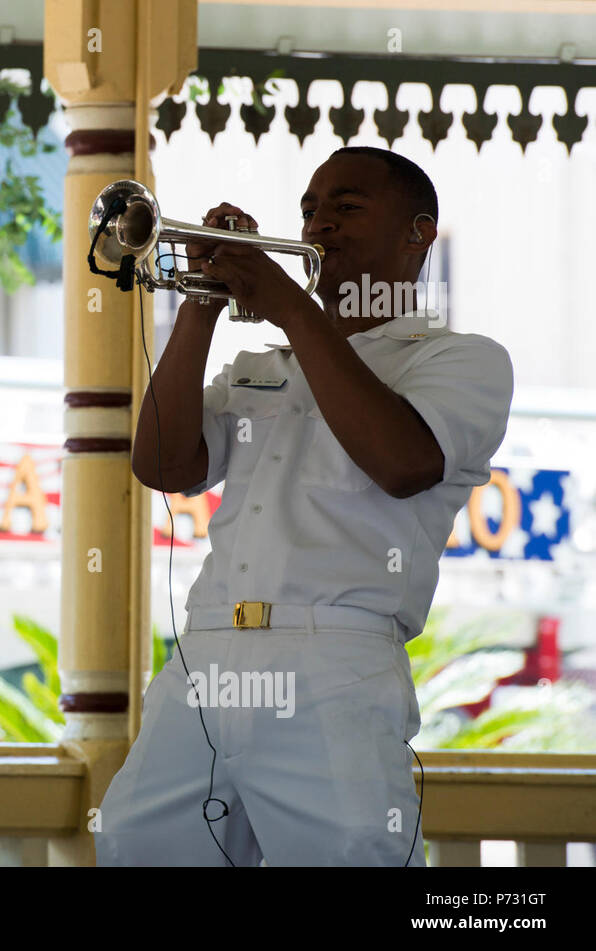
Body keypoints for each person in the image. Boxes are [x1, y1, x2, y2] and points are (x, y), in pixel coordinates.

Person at [96, 146, 513, 865]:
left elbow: (404, 462)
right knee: (138, 845)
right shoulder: (260, 367)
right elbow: (162, 464)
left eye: (346, 208)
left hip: (334, 659)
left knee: (349, 855)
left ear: (420, 234)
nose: (320, 225)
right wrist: (202, 301)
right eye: (310, 210)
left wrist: (288, 304)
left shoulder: (459, 359)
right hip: (207, 650)